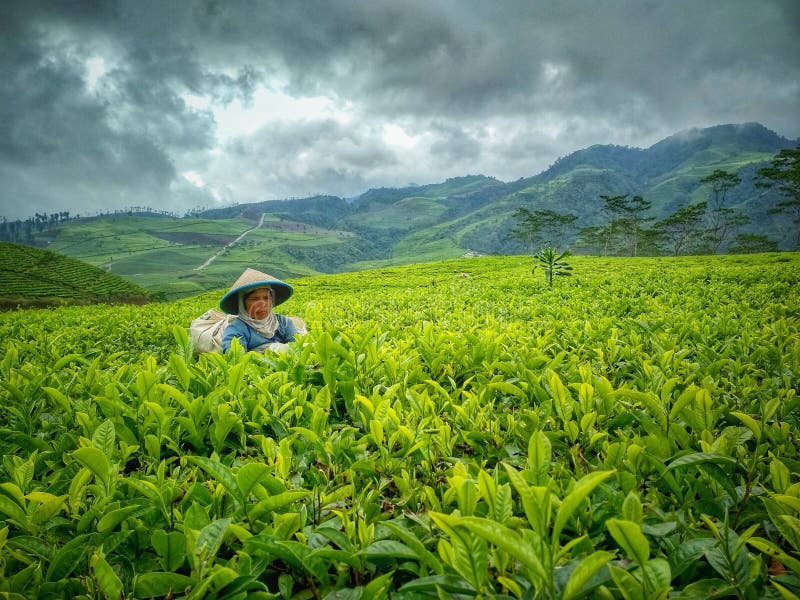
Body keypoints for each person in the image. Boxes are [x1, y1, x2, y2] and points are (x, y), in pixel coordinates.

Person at [219, 268, 301, 353]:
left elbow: (298, 347)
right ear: (242, 303)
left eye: (266, 298)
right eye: (254, 299)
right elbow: (235, 357)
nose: (262, 304)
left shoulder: (284, 323)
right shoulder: (236, 329)